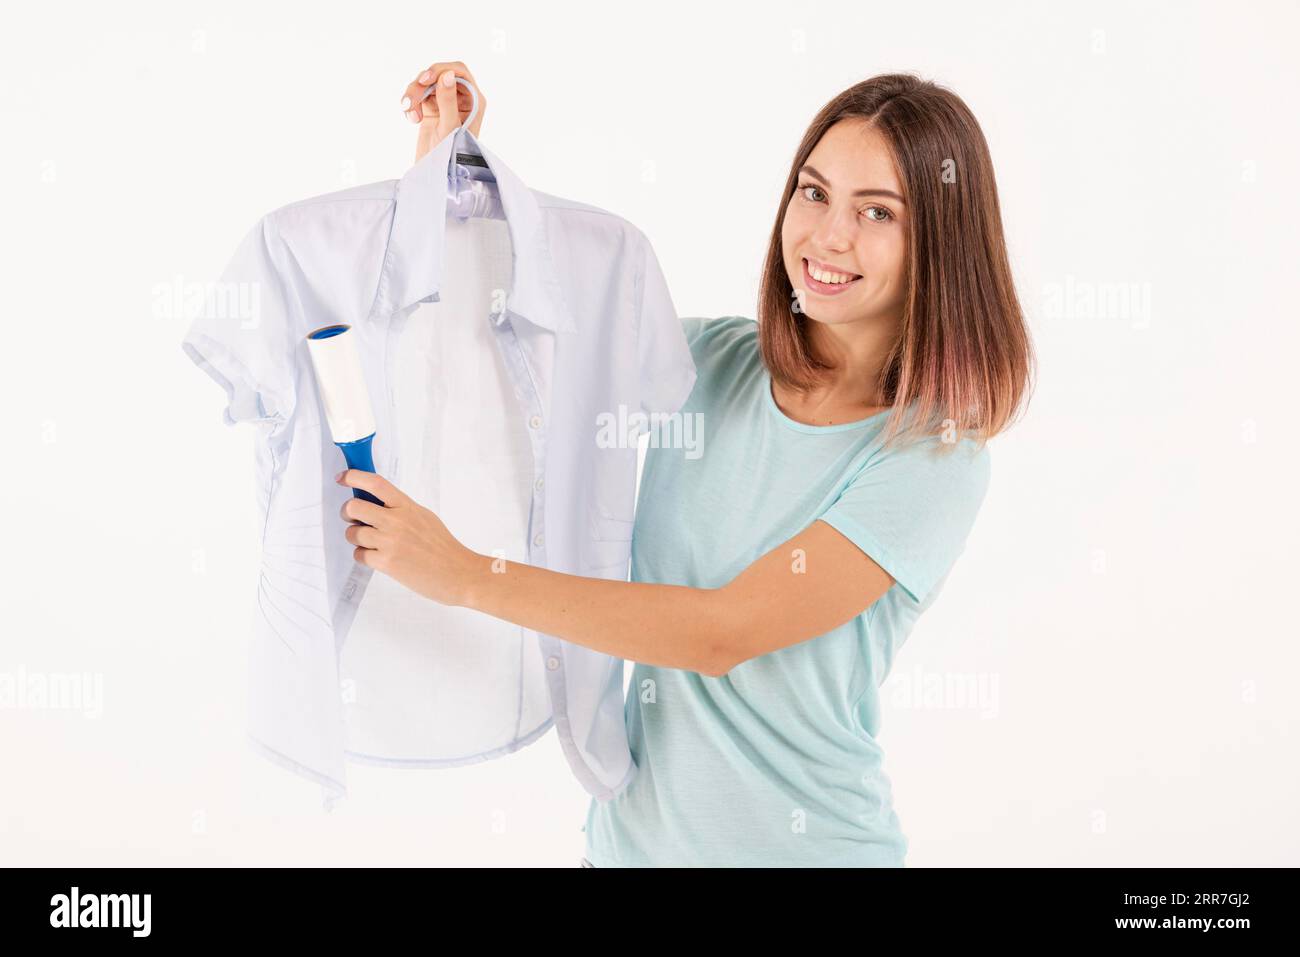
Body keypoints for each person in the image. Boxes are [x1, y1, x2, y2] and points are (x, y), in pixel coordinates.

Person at [352, 61, 1035, 866]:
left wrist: (468, 575)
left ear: (941, 245)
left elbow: (723, 632)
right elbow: (507, 350)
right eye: (814, 193)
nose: (828, 236)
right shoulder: (704, 361)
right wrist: (450, 183)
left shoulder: (933, 457)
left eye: (877, 212)